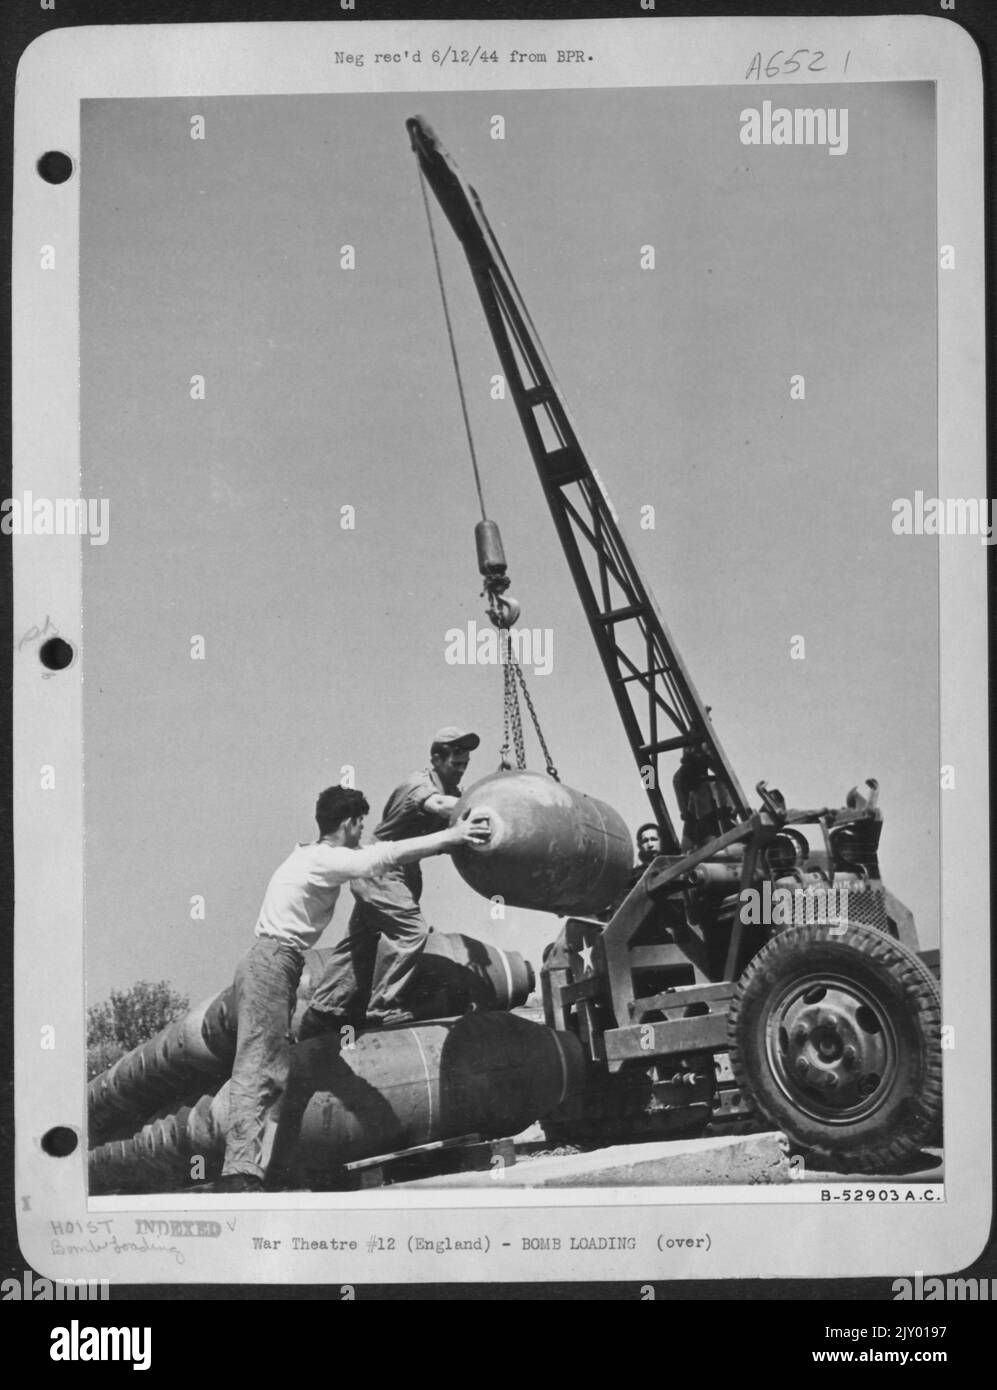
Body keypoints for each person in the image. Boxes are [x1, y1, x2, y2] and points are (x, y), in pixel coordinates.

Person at [215, 783, 490, 1193]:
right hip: (272, 963)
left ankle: (262, 1173)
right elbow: (383, 856)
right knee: (259, 1070)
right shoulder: (322, 858)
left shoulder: (308, 855)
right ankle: (238, 1175)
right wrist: (451, 838)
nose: (363, 834)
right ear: (348, 823)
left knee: (276, 1073)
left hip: (278, 965)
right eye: (360, 826)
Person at [299, 726, 480, 1038]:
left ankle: (325, 1009)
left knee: (361, 943)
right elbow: (439, 808)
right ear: (436, 759)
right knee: (411, 932)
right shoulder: (418, 785)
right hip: (382, 869)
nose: (461, 767)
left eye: (465, 763)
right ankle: (383, 1006)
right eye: (455, 762)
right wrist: (496, 800)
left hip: (401, 873)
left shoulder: (455, 796)